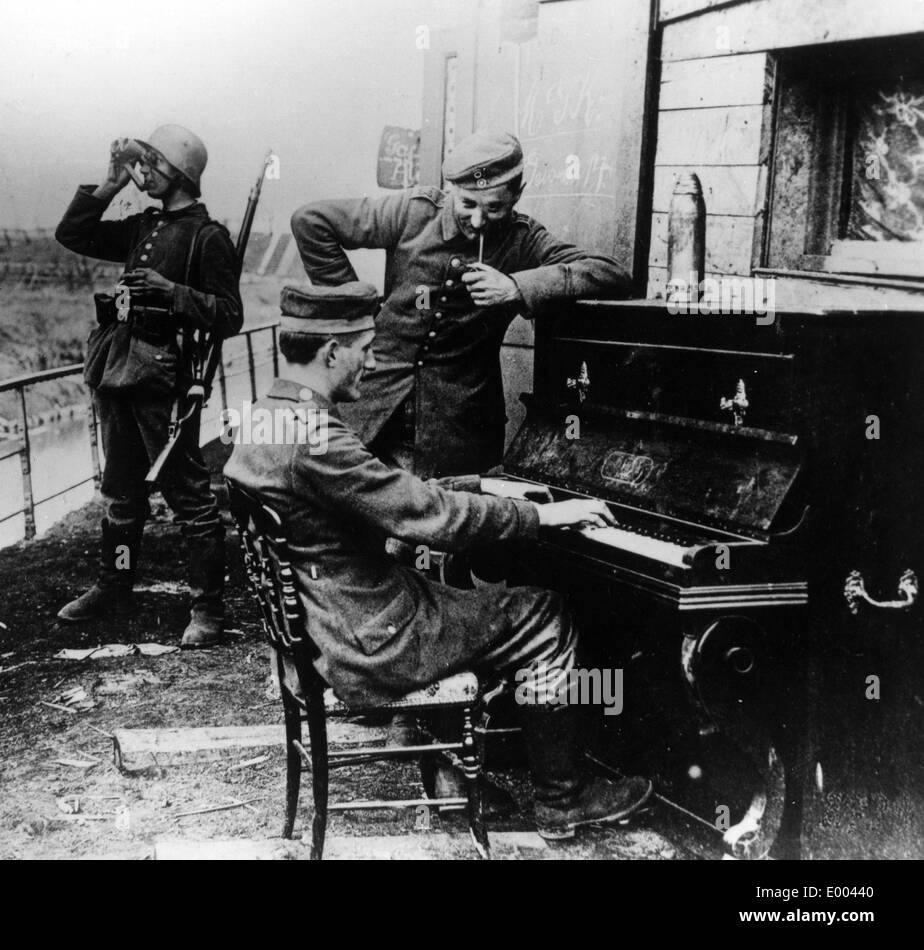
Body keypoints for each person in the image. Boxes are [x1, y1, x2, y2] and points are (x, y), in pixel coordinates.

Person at [223, 282, 652, 839]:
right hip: (375, 642)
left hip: (327, 626)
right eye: (366, 348)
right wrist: (543, 515)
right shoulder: (316, 436)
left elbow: (377, 493)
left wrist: (482, 484)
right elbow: (430, 517)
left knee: (458, 598)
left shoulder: (267, 419)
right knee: (543, 614)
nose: (374, 361)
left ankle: (454, 776)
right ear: (332, 353)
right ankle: (562, 799)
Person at [290, 129, 629, 479]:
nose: (479, 221)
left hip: (457, 434)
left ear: (518, 195)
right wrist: (356, 312)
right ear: (451, 189)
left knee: (441, 525)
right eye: (467, 204)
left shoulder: (523, 240)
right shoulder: (413, 212)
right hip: (372, 412)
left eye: (495, 207)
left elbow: (611, 272)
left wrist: (515, 286)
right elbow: (311, 222)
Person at [55, 124, 242, 647]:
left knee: (189, 497)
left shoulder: (209, 238)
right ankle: (115, 585)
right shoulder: (143, 226)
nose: (145, 173)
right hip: (118, 369)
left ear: (178, 173)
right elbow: (73, 235)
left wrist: (173, 291)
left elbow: (229, 314)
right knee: (121, 491)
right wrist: (110, 183)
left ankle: (208, 609)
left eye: (152, 164)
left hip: (168, 382)